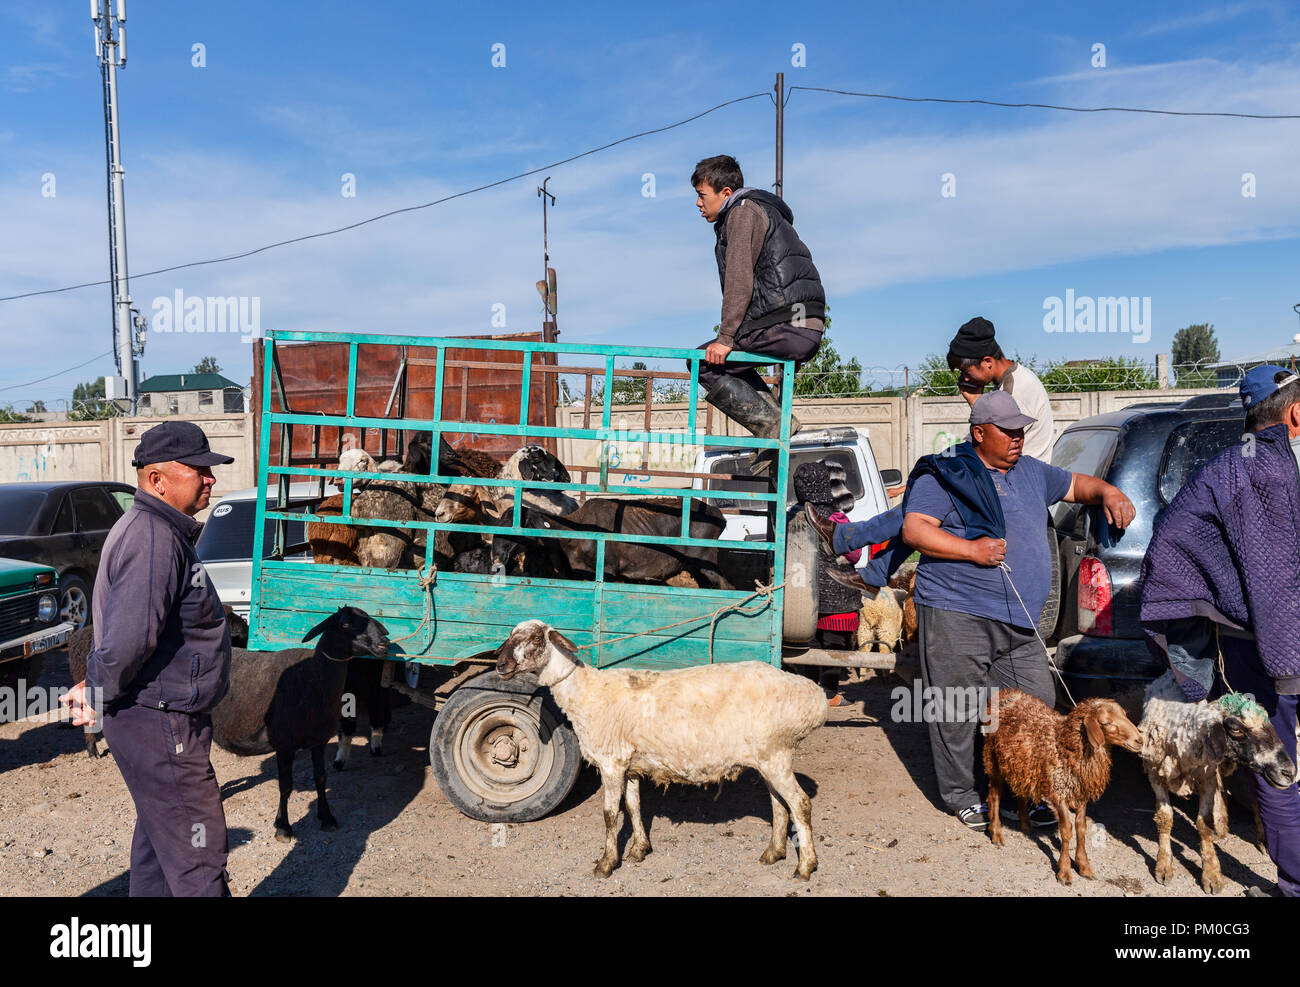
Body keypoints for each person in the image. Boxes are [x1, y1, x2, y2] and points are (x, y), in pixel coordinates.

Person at [809, 391, 1135, 829]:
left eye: (1021, 430)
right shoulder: (947, 475)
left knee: (1035, 705)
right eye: (1008, 431)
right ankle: (961, 794)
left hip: (1019, 622)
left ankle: (1033, 790)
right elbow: (915, 528)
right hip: (956, 611)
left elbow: (1077, 485)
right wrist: (971, 550)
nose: (1018, 438)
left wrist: (1109, 491)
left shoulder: (1031, 472)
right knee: (955, 707)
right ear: (979, 433)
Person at [1140, 364, 1300, 897]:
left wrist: (1211, 604)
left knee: (1277, 764)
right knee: (1277, 762)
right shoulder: (1261, 472)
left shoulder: (1231, 468)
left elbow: (1169, 541)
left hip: (1262, 647)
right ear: (1295, 414)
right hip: (1273, 651)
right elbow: (1277, 577)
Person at [62, 420, 234, 896]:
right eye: (199, 469)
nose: (210, 478)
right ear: (157, 480)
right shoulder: (153, 537)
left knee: (160, 847)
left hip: (154, 719)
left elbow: (126, 632)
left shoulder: (152, 529)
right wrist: (96, 687)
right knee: (198, 860)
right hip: (162, 723)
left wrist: (95, 683)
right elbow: (129, 637)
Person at [690, 154, 825, 443]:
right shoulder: (766, 212)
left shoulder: (742, 212)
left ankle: (775, 426)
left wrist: (725, 338)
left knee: (701, 362)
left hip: (784, 325)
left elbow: (740, 280)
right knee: (732, 363)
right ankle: (778, 423)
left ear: (725, 192)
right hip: (804, 326)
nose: (698, 204)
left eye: (702, 195)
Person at [947, 316, 1056, 463]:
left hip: (1022, 479)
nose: (964, 378)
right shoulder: (1006, 383)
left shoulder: (1015, 387)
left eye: (966, 371)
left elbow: (993, 445)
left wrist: (976, 403)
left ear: (987, 362)